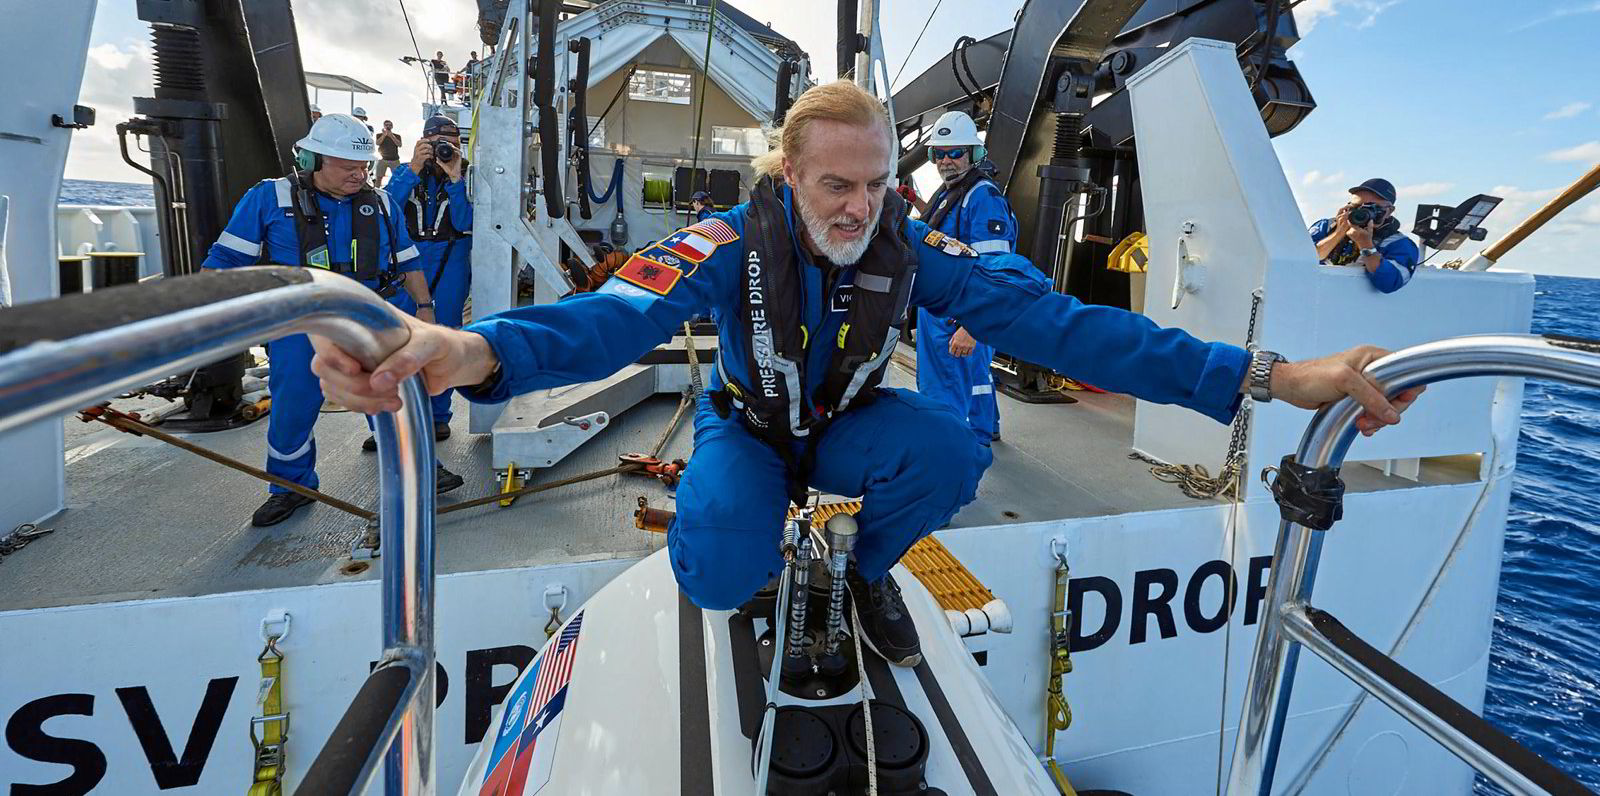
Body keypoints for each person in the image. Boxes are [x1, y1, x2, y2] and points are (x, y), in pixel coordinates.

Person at [308, 82, 1420, 666]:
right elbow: (607, 317)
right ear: (786, 174)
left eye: (877, 183)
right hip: (746, 430)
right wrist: (470, 351)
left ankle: (864, 572)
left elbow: (1081, 332)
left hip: (847, 428)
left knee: (949, 447)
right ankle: (755, 579)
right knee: (717, 565)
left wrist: (1277, 377)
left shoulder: (915, 251)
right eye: (835, 184)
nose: (858, 206)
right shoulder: (718, 245)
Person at [200, 113, 465, 528]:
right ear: (312, 160)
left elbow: (407, 260)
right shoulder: (268, 198)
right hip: (302, 322)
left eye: (363, 166)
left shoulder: (380, 201)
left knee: (392, 395)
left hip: (372, 314)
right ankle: (290, 487)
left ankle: (418, 467)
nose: (359, 175)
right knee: (293, 403)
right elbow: (226, 261)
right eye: (348, 167)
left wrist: (425, 309)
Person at [914, 110, 1030, 445]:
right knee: (974, 380)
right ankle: (983, 428)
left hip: (958, 318)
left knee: (946, 391)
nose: (946, 160)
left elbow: (996, 267)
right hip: (945, 313)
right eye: (940, 153)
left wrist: (973, 327)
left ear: (974, 154)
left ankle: (951, 459)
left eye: (955, 152)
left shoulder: (982, 198)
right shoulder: (952, 192)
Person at [363, 114, 472, 449]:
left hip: (452, 256)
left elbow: (467, 221)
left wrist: (455, 180)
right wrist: (411, 167)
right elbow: (383, 208)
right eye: (439, 143)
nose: (446, 149)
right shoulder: (407, 174)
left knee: (446, 335)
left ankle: (438, 417)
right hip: (408, 260)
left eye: (453, 144)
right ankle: (390, 420)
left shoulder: (467, 175)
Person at [1309, 178, 1420, 293]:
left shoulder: (1399, 244)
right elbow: (1305, 259)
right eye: (1356, 207)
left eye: (1373, 208)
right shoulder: (1326, 227)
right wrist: (1338, 233)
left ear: (1389, 211)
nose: (1363, 213)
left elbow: (1389, 283)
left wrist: (1366, 245)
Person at [374, 121, 403, 187]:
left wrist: (391, 136)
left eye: (390, 125)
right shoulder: (379, 135)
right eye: (386, 125)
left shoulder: (397, 136)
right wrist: (384, 135)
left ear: (392, 126)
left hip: (394, 160)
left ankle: (396, 193)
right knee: (379, 178)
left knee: (397, 178)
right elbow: (378, 143)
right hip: (382, 159)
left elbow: (399, 145)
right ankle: (376, 192)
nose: (388, 126)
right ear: (384, 126)